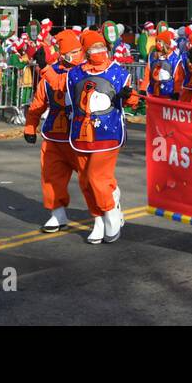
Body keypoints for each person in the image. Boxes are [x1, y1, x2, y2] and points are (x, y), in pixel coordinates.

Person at [66, 30, 138, 243]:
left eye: (101, 47)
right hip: (81, 133)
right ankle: (97, 218)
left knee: (97, 177)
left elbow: (132, 101)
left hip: (109, 132)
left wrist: (129, 96)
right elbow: (70, 101)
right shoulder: (75, 74)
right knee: (85, 181)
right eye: (94, 48)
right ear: (86, 51)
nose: (99, 51)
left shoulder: (118, 72)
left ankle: (110, 213)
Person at [24, 30, 83, 232]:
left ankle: (108, 209)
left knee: (91, 177)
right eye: (73, 51)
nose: (77, 54)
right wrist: (30, 126)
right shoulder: (50, 73)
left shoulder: (87, 70)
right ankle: (57, 214)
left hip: (82, 136)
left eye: (78, 50)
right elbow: (38, 102)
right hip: (54, 135)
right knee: (51, 176)